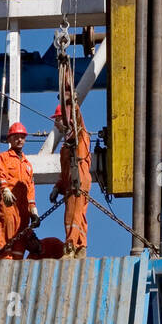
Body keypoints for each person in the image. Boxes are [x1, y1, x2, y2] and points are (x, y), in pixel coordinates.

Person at [50, 103, 92, 258]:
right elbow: (64, 173)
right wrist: (57, 188)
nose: (55, 123)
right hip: (72, 180)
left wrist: (73, 104)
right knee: (79, 215)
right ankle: (81, 248)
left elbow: (79, 120)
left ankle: (70, 247)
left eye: (57, 119)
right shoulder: (64, 148)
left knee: (72, 215)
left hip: (79, 178)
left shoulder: (80, 136)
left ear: (66, 119)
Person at [0, 122, 39, 259]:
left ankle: (16, 271)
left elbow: (30, 189)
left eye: (22, 137)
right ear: (9, 139)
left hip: (23, 211)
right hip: (8, 205)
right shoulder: (3, 157)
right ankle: (4, 266)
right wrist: (5, 190)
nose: (19, 140)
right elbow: (0, 175)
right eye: (16, 137)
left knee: (20, 244)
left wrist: (33, 210)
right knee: (6, 239)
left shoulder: (28, 165)